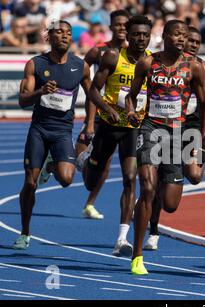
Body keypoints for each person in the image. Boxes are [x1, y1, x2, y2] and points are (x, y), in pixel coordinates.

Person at [125, 19, 205, 275]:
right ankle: (137, 256)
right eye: (176, 35)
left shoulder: (194, 68)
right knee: (147, 188)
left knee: (170, 203)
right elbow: (131, 95)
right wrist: (130, 111)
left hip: (176, 135)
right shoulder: (148, 63)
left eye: (184, 36)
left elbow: (204, 105)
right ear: (164, 36)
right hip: (151, 127)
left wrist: (201, 143)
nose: (181, 39)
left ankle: (149, 202)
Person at [13, 20, 92, 249]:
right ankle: (25, 232)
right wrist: (40, 91)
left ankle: (51, 164)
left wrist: (90, 123)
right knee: (30, 183)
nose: (65, 36)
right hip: (39, 129)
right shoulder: (35, 64)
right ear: (49, 37)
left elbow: (92, 95)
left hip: (62, 132)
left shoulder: (81, 66)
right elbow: (22, 100)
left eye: (68, 33)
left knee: (66, 180)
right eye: (59, 32)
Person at [82, 15, 152, 257]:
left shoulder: (152, 61)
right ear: (128, 36)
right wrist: (108, 109)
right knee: (91, 180)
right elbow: (92, 91)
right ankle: (88, 158)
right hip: (108, 125)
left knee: (130, 178)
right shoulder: (113, 57)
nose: (141, 38)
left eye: (145, 34)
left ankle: (121, 238)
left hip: (134, 128)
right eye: (136, 34)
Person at [143, 25, 205, 251]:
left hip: (192, 126)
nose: (192, 44)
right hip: (167, 126)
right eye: (189, 40)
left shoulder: (203, 67)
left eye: (196, 41)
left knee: (194, 176)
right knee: (154, 185)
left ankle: (178, 171)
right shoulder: (165, 64)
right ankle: (153, 230)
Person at [75, 10, 130, 220]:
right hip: (98, 113)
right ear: (111, 26)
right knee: (80, 163)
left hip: (119, 116)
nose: (122, 28)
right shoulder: (98, 51)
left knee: (105, 164)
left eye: (126, 25)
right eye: (118, 24)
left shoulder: (135, 54)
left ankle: (90, 203)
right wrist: (88, 85)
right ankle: (65, 158)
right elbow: (82, 70)